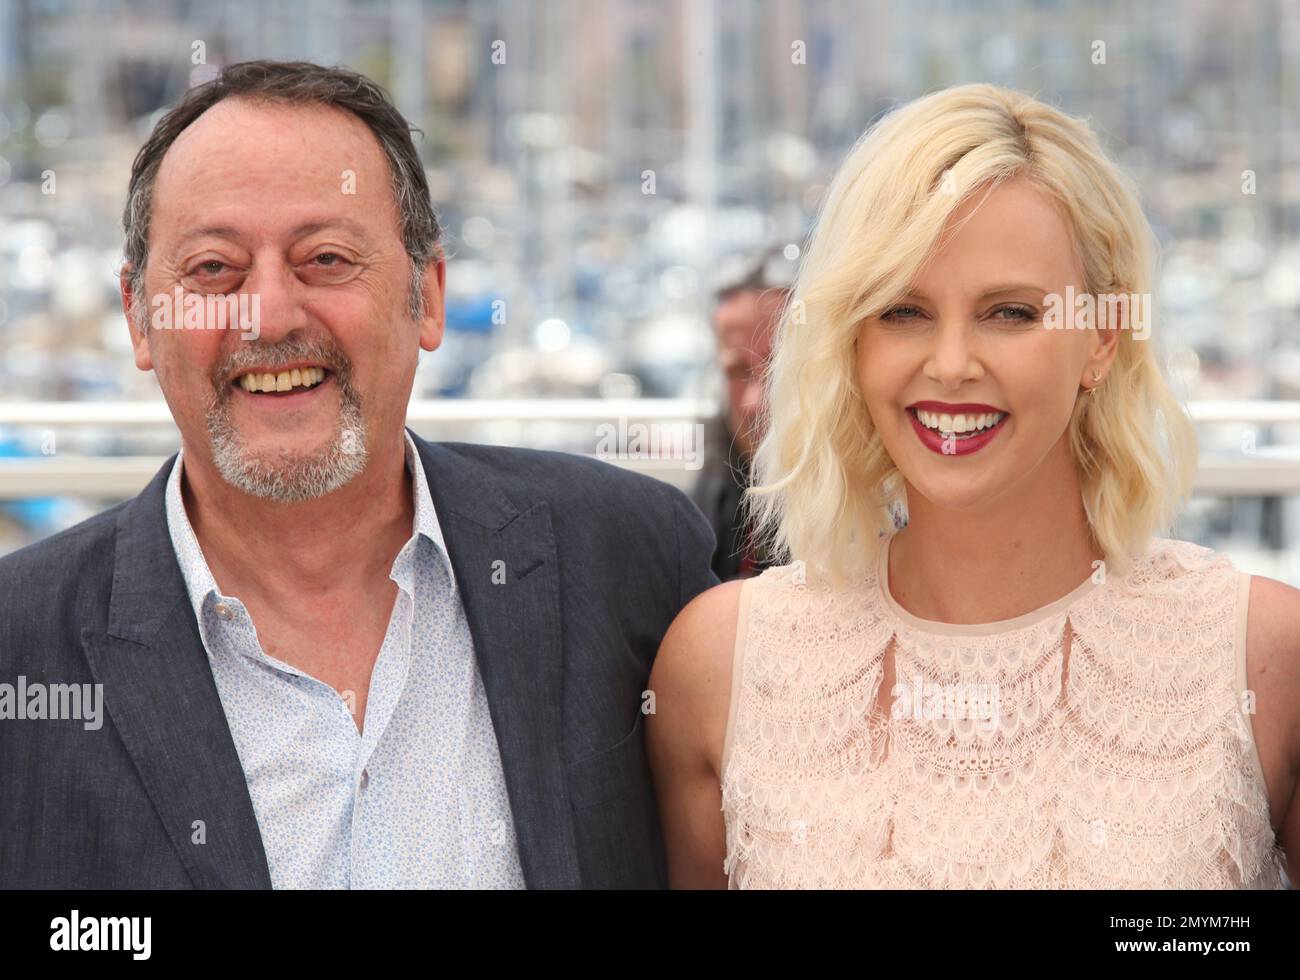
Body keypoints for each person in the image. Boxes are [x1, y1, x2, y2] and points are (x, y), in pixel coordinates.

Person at [0, 60, 717, 889]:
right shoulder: (20, 651)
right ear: (139, 317)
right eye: (212, 270)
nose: (267, 315)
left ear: (429, 295)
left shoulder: (627, 561)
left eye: (328, 259)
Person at [648, 83, 1300, 889]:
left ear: (1101, 338)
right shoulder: (717, 664)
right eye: (902, 311)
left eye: (1011, 313)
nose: (952, 365)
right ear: (850, 342)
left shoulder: (1265, 654)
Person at [691, 249, 791, 580]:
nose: (754, 402)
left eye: (778, 368)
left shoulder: (873, 521)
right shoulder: (718, 488)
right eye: (738, 371)